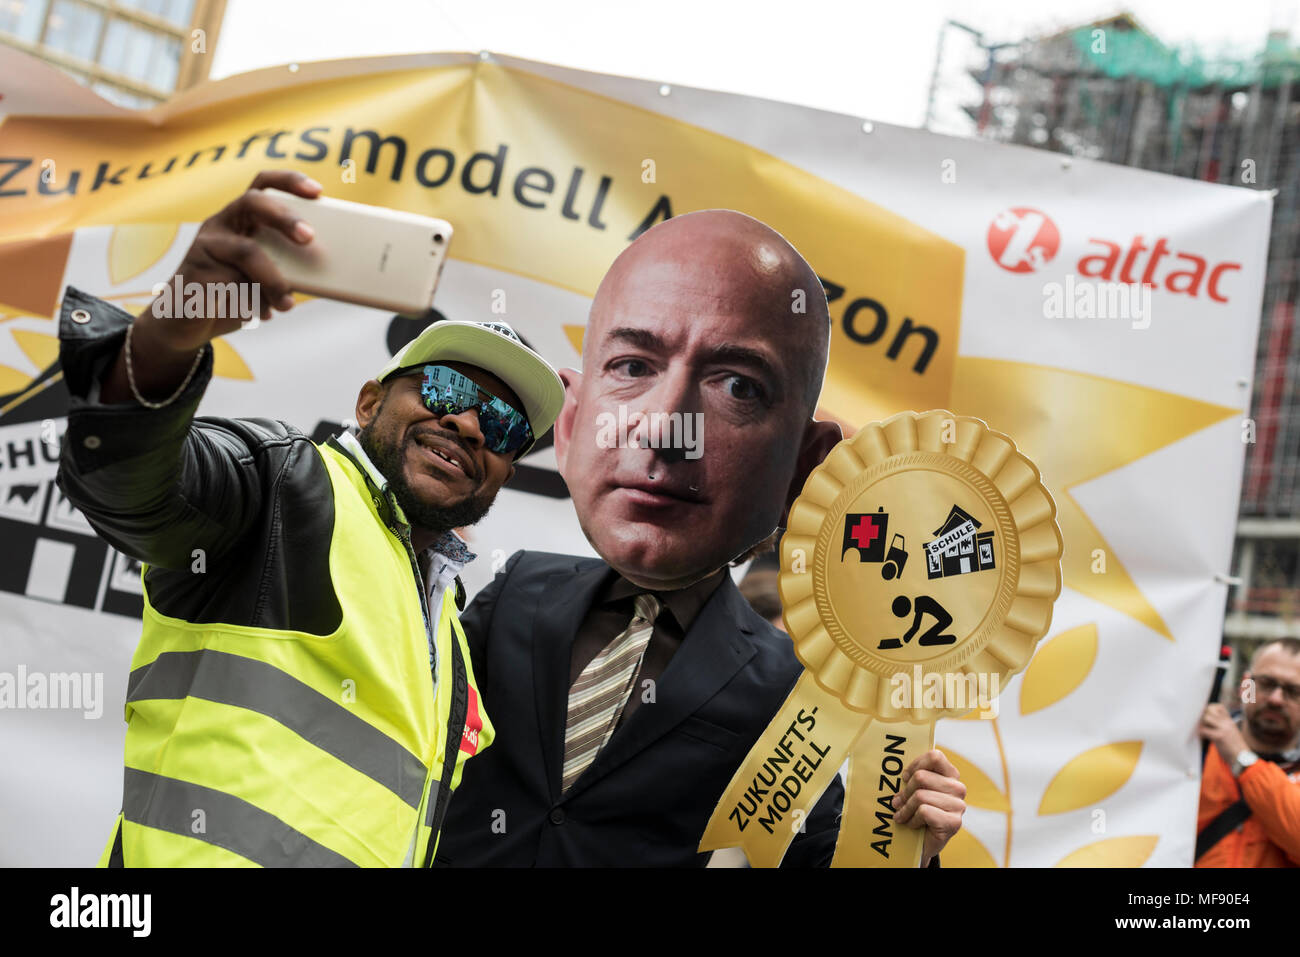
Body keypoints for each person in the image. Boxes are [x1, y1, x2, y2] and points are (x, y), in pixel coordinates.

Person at [55, 169, 564, 867]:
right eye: (445, 386)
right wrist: (176, 323)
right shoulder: (284, 484)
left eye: (504, 424)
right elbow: (125, 480)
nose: (469, 422)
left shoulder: (447, 621)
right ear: (366, 405)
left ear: (507, 467)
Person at [436, 209, 966, 867]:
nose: (664, 429)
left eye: (738, 386)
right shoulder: (516, 589)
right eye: (632, 365)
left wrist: (904, 844)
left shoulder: (790, 693)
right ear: (571, 425)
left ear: (804, 466)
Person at [1196, 637, 1300, 867]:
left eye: (1293, 691)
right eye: (1265, 683)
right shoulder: (1198, 747)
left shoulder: (1227, 748)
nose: (1275, 699)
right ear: (1246, 686)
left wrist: (1240, 758)